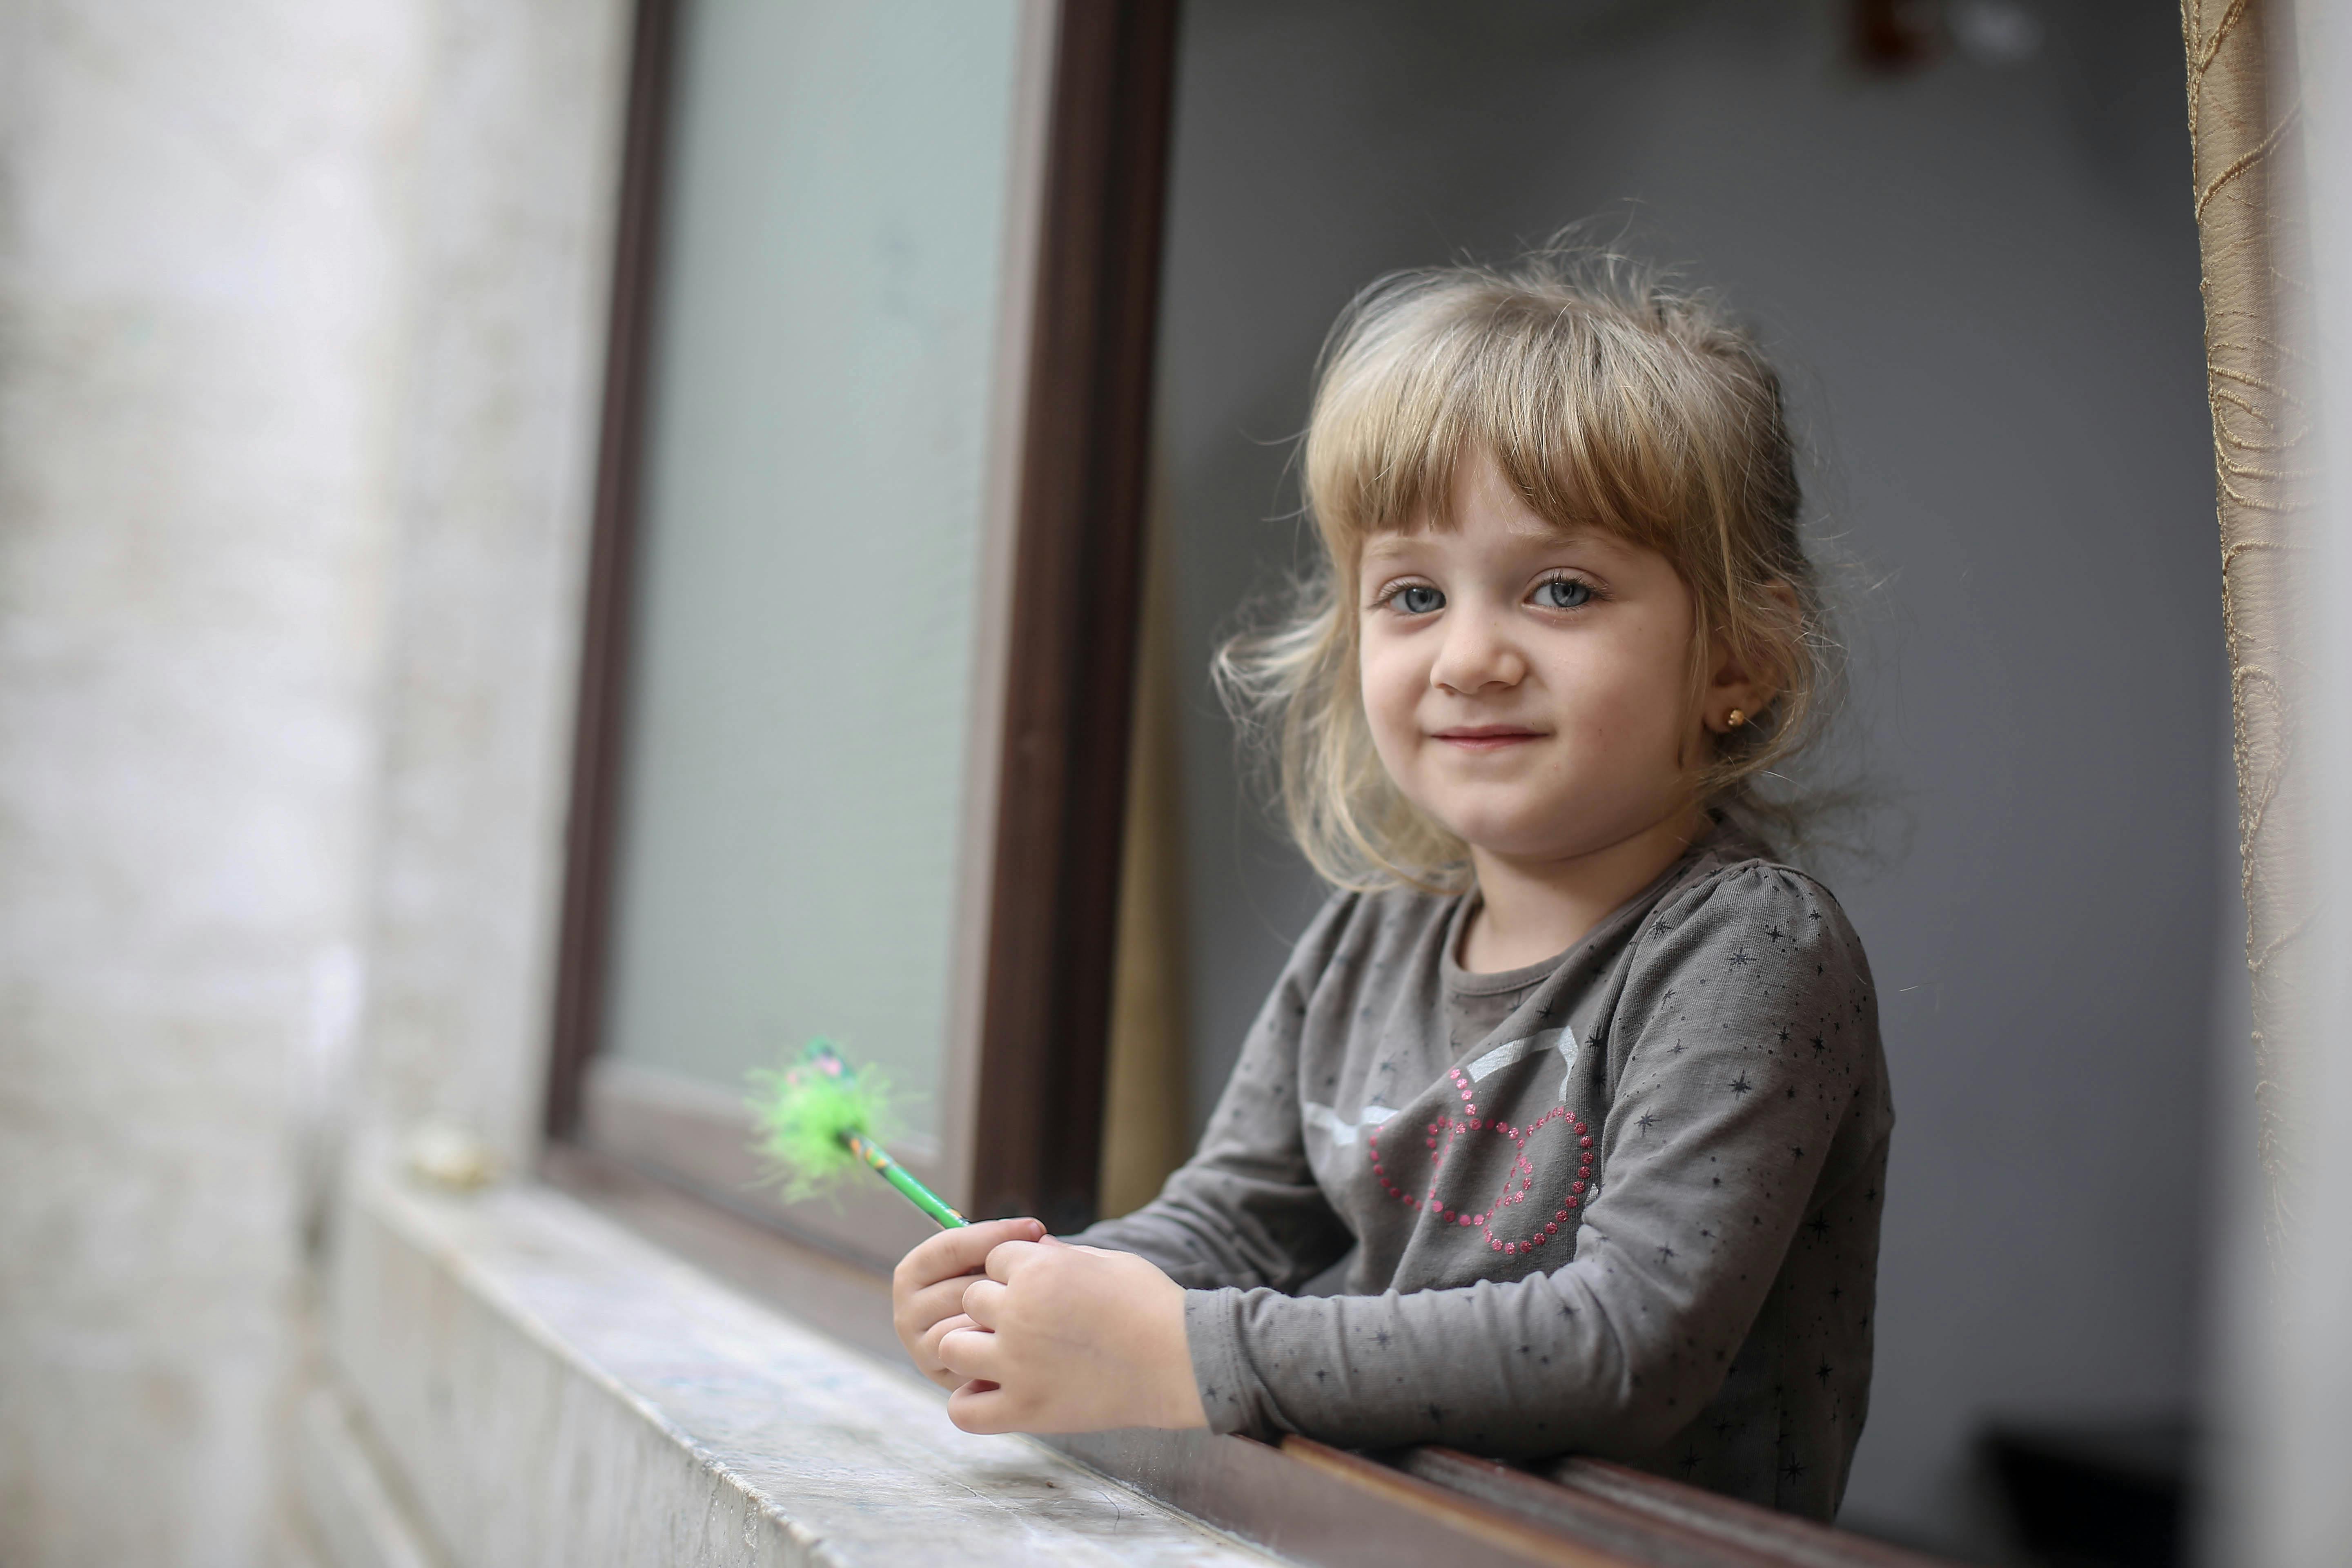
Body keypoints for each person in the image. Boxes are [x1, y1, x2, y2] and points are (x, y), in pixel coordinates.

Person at [891, 243, 1891, 1521]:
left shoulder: (1749, 948)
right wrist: (1042, 1301)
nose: (1471, 656)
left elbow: (1624, 1346)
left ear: (1740, 658)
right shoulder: (1374, 936)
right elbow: (1234, 1225)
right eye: (1414, 593)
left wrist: (1184, 1355)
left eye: (1563, 589)